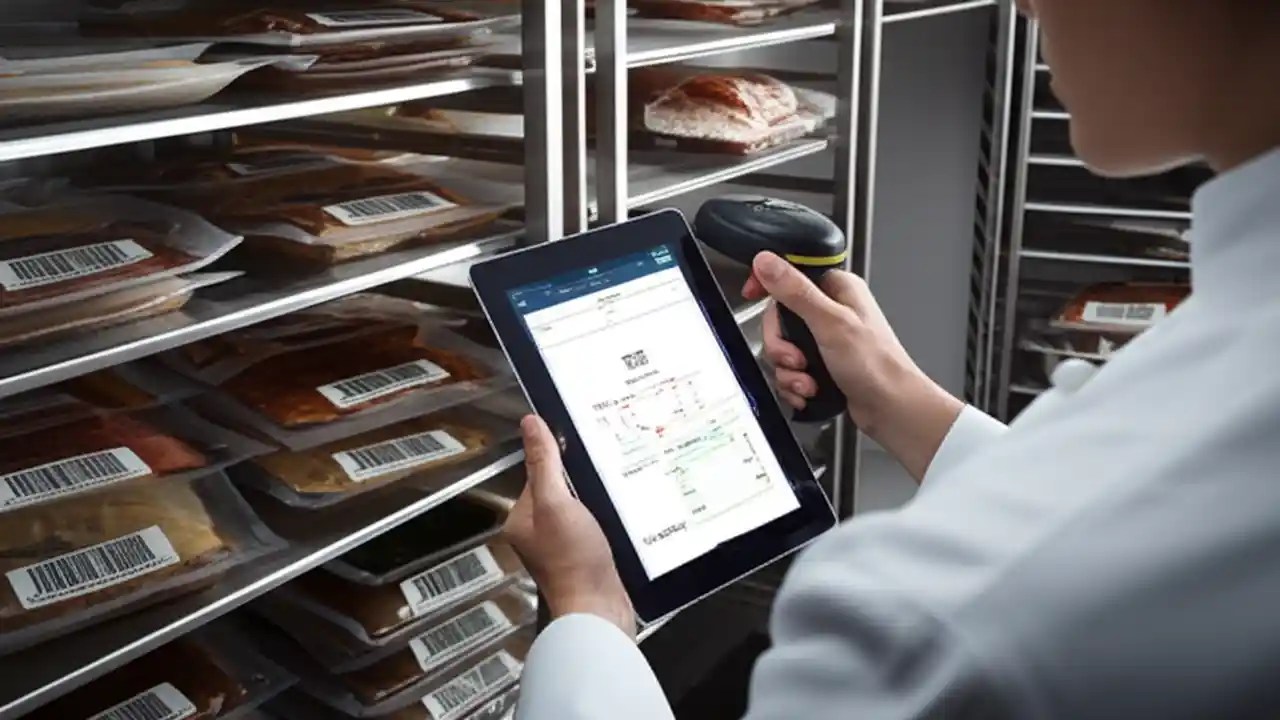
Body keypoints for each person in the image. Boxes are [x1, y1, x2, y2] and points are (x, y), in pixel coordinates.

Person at [508, 1, 1280, 717]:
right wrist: (898, 400)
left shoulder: (938, 622)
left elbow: (1068, 555)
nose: (1022, 6)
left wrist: (587, 610)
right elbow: (1121, 537)